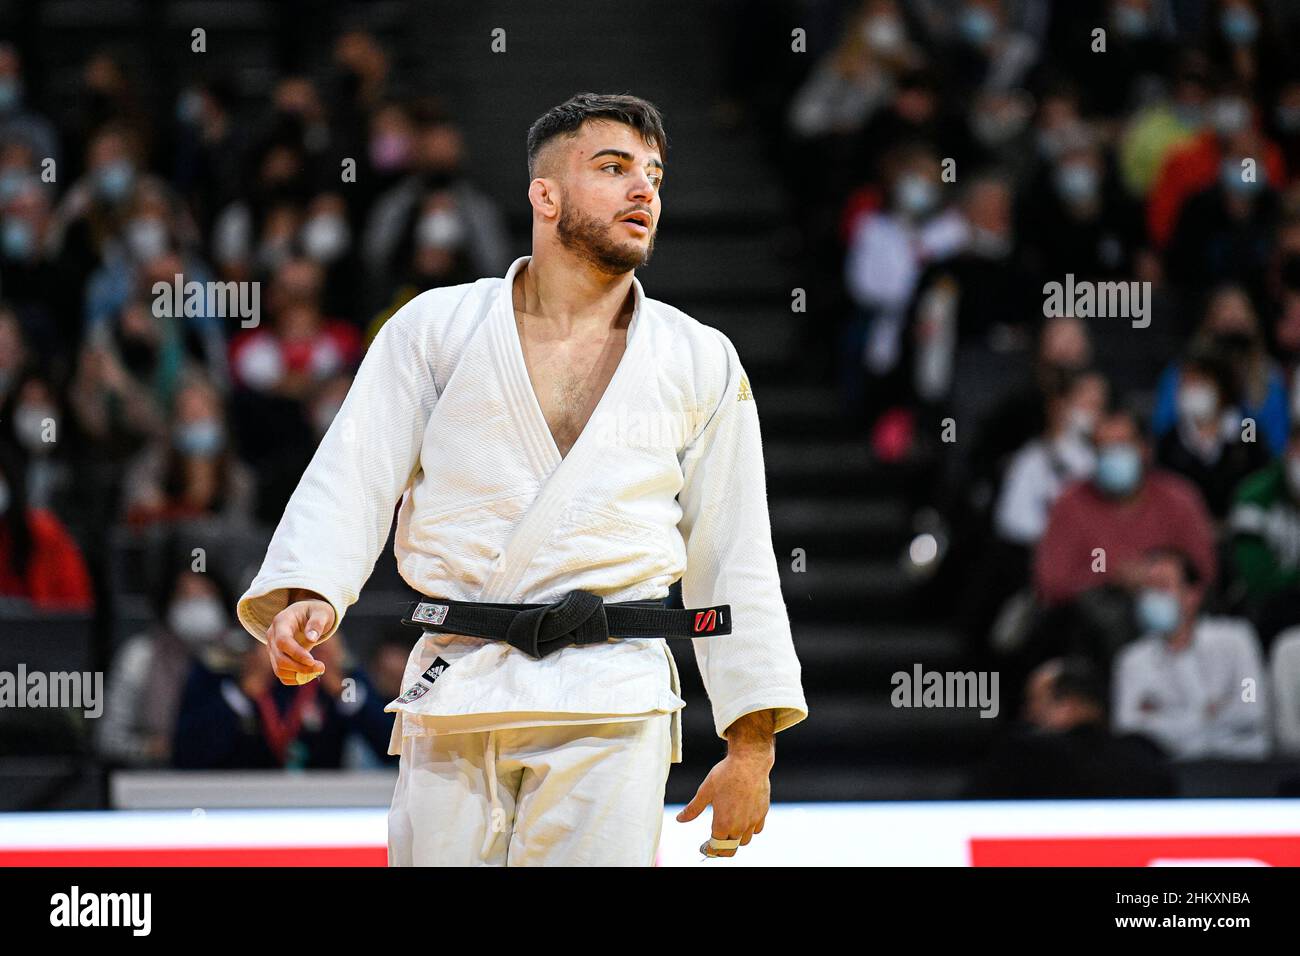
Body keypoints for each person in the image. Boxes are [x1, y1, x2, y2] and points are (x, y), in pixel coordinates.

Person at [236, 93, 808, 866]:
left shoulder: (700, 358)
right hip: (458, 683)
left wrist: (752, 749)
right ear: (545, 194)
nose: (644, 190)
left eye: (655, 175)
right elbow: (354, 475)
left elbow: (734, 554)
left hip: (613, 696)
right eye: (613, 168)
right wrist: (310, 590)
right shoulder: (433, 329)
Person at [1113, 547, 1270, 760]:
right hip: (1173, 774)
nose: (1150, 597)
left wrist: (1163, 718)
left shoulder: (1236, 641)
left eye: (1161, 586)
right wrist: (1207, 714)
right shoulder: (1132, 660)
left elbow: (1251, 707)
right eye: (1145, 589)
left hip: (1241, 768)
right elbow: (1130, 729)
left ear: (1192, 595)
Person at [965, 656, 1175, 798]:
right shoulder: (1146, 756)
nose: (1028, 713)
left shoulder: (1022, 757)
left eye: (1035, 702)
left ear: (1068, 705)